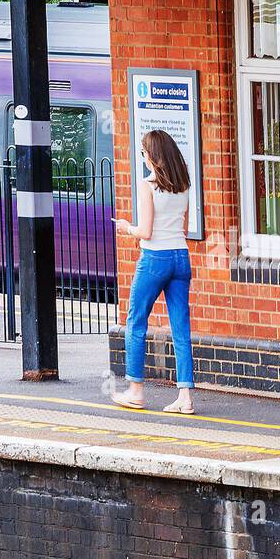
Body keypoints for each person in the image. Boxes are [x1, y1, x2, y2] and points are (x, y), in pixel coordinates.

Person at [112, 129, 195, 414]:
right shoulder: (183, 184)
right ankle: (185, 397)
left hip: (154, 259)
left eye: (144, 153)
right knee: (181, 328)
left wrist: (126, 228)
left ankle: (135, 391)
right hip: (181, 257)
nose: (143, 158)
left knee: (136, 321)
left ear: (152, 156)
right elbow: (183, 229)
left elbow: (145, 232)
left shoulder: (147, 185)